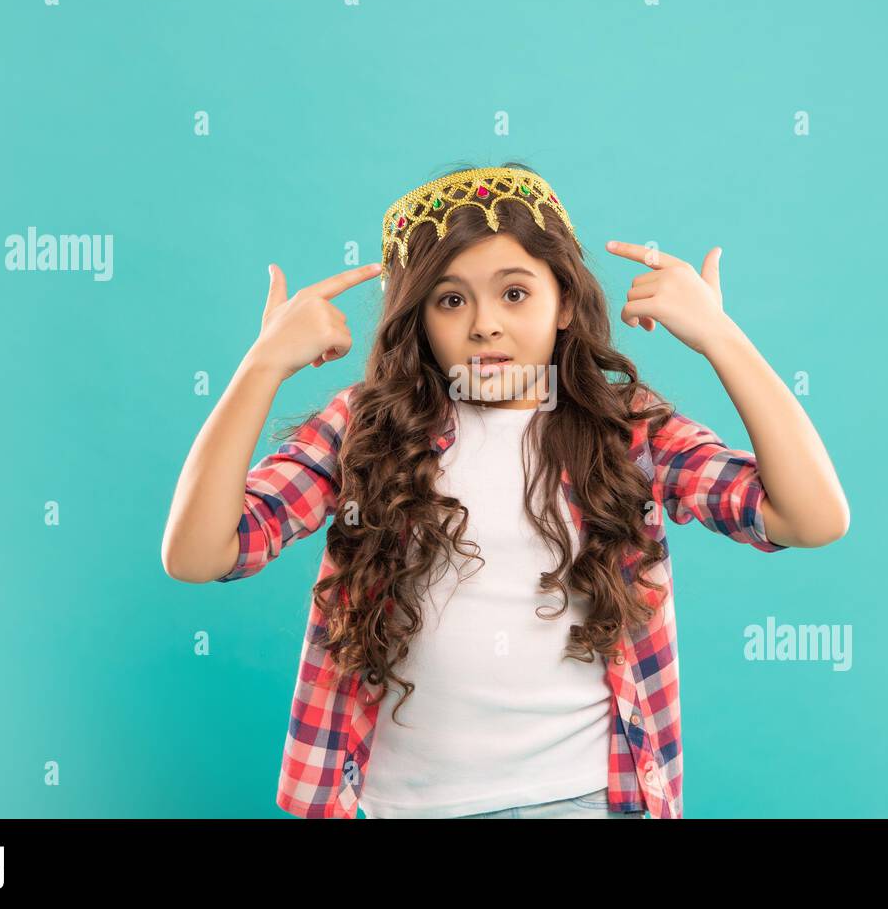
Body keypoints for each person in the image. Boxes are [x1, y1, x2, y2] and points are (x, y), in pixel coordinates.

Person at [160, 161, 850, 819]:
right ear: (418, 320)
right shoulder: (363, 428)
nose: (484, 323)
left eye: (514, 292)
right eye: (451, 299)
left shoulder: (624, 428)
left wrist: (720, 337)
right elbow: (199, 554)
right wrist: (262, 366)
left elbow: (809, 516)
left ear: (565, 303)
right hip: (412, 805)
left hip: (586, 796)